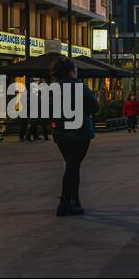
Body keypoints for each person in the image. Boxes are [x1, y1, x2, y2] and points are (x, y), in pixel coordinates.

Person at [50, 57, 97, 217]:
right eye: (75, 69)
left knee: (72, 165)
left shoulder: (53, 88)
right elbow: (94, 106)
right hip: (80, 132)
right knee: (73, 166)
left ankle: (74, 199)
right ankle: (65, 203)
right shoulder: (78, 86)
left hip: (61, 133)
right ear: (71, 72)